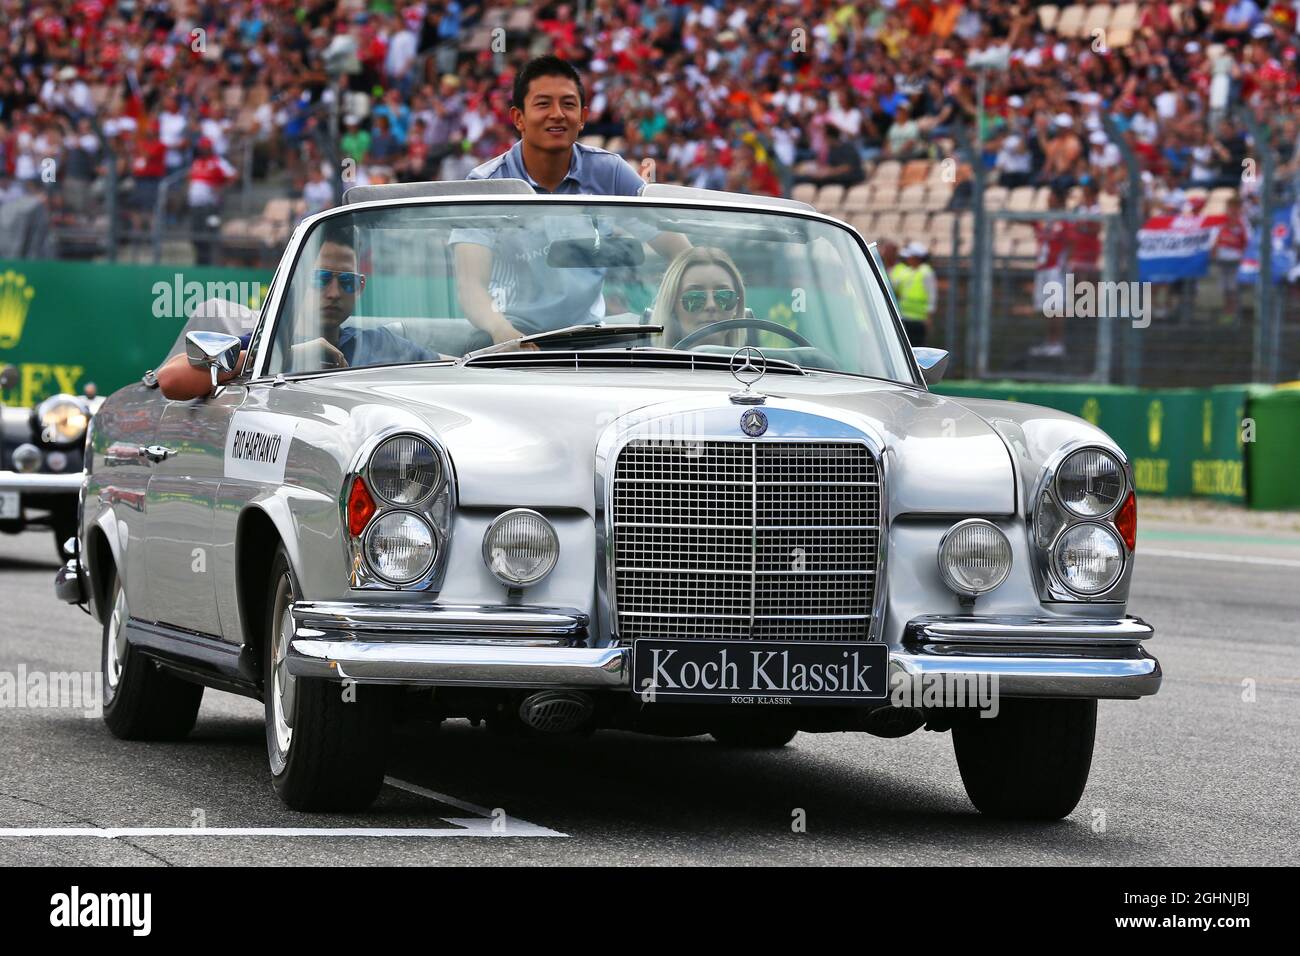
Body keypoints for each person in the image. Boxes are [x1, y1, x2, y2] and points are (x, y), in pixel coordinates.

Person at [452, 55, 690, 346]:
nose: (557, 114)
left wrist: (702, 292)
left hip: (593, 338)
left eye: (568, 104)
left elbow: (682, 252)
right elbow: (470, 284)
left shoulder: (610, 172)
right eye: (543, 104)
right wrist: (501, 331)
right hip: (510, 338)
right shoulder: (486, 184)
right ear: (518, 118)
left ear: (583, 117)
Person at [157, 230, 436, 400]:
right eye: (321, 279)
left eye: (348, 282)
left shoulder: (382, 344)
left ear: (361, 288)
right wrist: (283, 356)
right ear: (298, 281)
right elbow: (170, 380)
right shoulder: (263, 344)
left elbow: (454, 367)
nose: (335, 292)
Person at [652, 247, 746, 347]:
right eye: (694, 297)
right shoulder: (642, 361)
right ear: (672, 306)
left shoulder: (757, 361)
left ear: (737, 305)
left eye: (724, 296)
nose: (711, 305)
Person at [889, 242, 937, 346]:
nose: (908, 258)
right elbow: (896, 287)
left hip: (919, 320)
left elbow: (932, 297)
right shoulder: (906, 271)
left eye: (910, 256)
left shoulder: (926, 272)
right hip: (904, 317)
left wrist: (929, 318)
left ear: (916, 257)